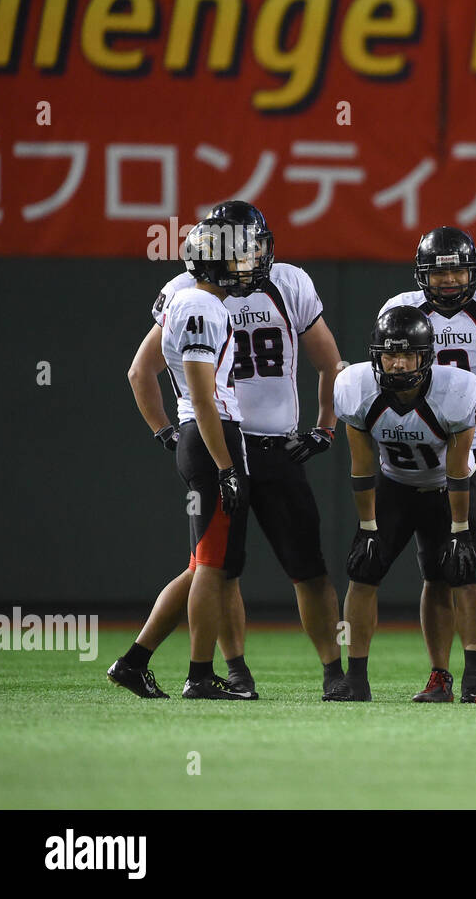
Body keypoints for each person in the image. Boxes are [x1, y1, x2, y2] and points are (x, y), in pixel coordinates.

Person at [108, 201, 344, 701]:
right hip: (223, 440)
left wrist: (325, 426)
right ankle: (215, 672)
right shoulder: (193, 295)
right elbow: (154, 377)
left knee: (243, 566)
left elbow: (331, 362)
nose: (249, 257)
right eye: (236, 249)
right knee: (217, 568)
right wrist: (180, 437)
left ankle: (327, 673)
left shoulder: (284, 284)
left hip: (263, 443)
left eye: (252, 246)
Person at [379, 227, 476, 702]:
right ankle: (441, 675)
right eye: (439, 271)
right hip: (430, 453)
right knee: (438, 572)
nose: (448, 281)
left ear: (473, 271)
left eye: (457, 270)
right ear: (422, 274)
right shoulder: (401, 311)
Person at [332, 306, 476, 701]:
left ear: (426, 357)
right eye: (390, 354)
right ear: (376, 356)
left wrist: (459, 530)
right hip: (394, 486)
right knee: (363, 573)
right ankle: (356, 679)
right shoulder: (356, 388)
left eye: (408, 355)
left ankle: (471, 678)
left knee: (460, 575)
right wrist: (367, 526)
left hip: (450, 488)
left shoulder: (456, 391)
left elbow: (456, 470)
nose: (399, 363)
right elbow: (362, 465)